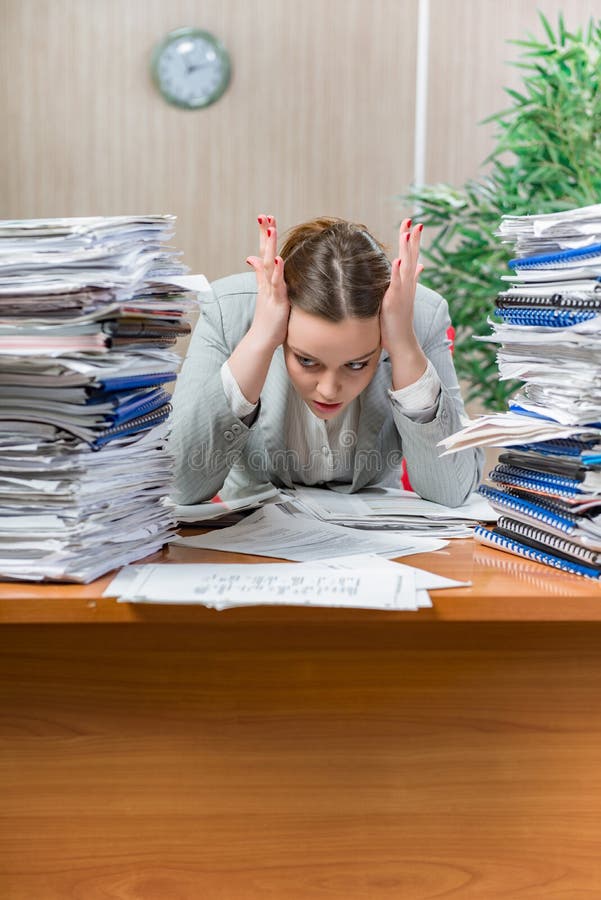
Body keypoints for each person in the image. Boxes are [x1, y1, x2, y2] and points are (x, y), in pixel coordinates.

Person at [168, 215, 483, 507]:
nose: (330, 390)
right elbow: (180, 486)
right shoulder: (229, 312)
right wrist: (260, 339)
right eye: (307, 361)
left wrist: (403, 346)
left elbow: (451, 492)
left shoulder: (418, 318)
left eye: (357, 364)